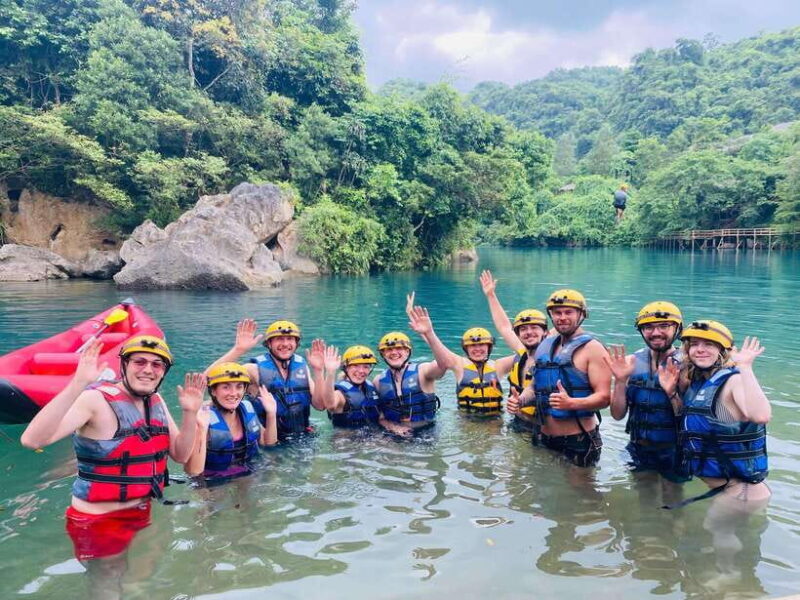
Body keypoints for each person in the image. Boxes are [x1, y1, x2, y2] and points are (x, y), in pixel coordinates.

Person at [20, 336, 204, 562]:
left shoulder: (155, 400)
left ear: (163, 372)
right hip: (98, 520)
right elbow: (32, 441)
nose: (148, 370)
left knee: (144, 577)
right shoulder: (94, 400)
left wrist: (190, 413)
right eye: (140, 362)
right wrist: (77, 384)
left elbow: (180, 454)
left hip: (141, 509)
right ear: (124, 365)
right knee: (107, 588)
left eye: (157, 364)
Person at [658, 320, 770, 508]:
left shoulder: (734, 380)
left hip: (741, 491)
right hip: (730, 488)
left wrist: (746, 367)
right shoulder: (701, 382)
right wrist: (671, 393)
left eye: (709, 344)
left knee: (716, 533)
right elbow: (688, 422)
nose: (700, 349)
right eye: (694, 344)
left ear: (723, 350)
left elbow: (761, 416)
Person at [513, 289, 611, 467]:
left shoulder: (593, 349)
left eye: (568, 312)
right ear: (551, 315)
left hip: (578, 440)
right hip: (543, 437)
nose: (562, 317)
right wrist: (521, 400)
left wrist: (572, 403)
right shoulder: (545, 345)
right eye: (557, 313)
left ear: (582, 314)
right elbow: (536, 386)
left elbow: (604, 398)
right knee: (542, 491)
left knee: (580, 493)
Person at [607, 301, 688, 486]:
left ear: (678, 329)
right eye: (649, 327)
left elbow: (691, 420)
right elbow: (617, 415)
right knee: (643, 495)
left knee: (672, 499)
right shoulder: (630, 363)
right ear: (641, 331)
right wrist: (620, 381)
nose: (656, 332)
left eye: (664, 326)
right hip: (638, 447)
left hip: (675, 450)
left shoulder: (687, 366)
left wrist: (671, 392)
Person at [210, 319, 325, 440]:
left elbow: (320, 406)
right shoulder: (253, 370)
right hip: (269, 442)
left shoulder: (302, 366)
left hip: (304, 436)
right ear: (269, 343)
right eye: (279, 339)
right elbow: (211, 377)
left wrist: (318, 371)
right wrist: (238, 350)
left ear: (296, 343)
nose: (285, 344)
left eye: (290, 339)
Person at [479, 270, 549, 429]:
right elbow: (504, 327)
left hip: (543, 428)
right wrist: (491, 295)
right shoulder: (522, 352)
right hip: (517, 422)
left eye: (534, 328)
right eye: (523, 329)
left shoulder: (553, 355)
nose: (529, 332)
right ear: (518, 334)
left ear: (545, 331)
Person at [184, 363, 277, 479]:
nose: (233, 393)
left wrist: (271, 414)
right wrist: (201, 430)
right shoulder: (203, 418)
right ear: (213, 391)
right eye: (226, 387)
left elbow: (268, 443)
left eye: (239, 387)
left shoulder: (247, 409)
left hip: (248, 473)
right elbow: (193, 472)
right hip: (214, 481)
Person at [373, 295, 448, 436]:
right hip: (394, 433)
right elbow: (380, 417)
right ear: (383, 354)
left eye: (399, 348)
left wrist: (429, 333)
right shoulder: (378, 381)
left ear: (408, 351)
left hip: (427, 432)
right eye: (388, 350)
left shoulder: (423, 371)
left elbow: (444, 364)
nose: (394, 352)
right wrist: (393, 427)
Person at [321, 345, 382, 429]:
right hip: (347, 440)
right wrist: (330, 372)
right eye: (355, 365)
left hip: (373, 436)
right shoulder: (340, 394)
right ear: (345, 367)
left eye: (366, 367)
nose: (361, 371)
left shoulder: (371, 388)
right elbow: (330, 405)